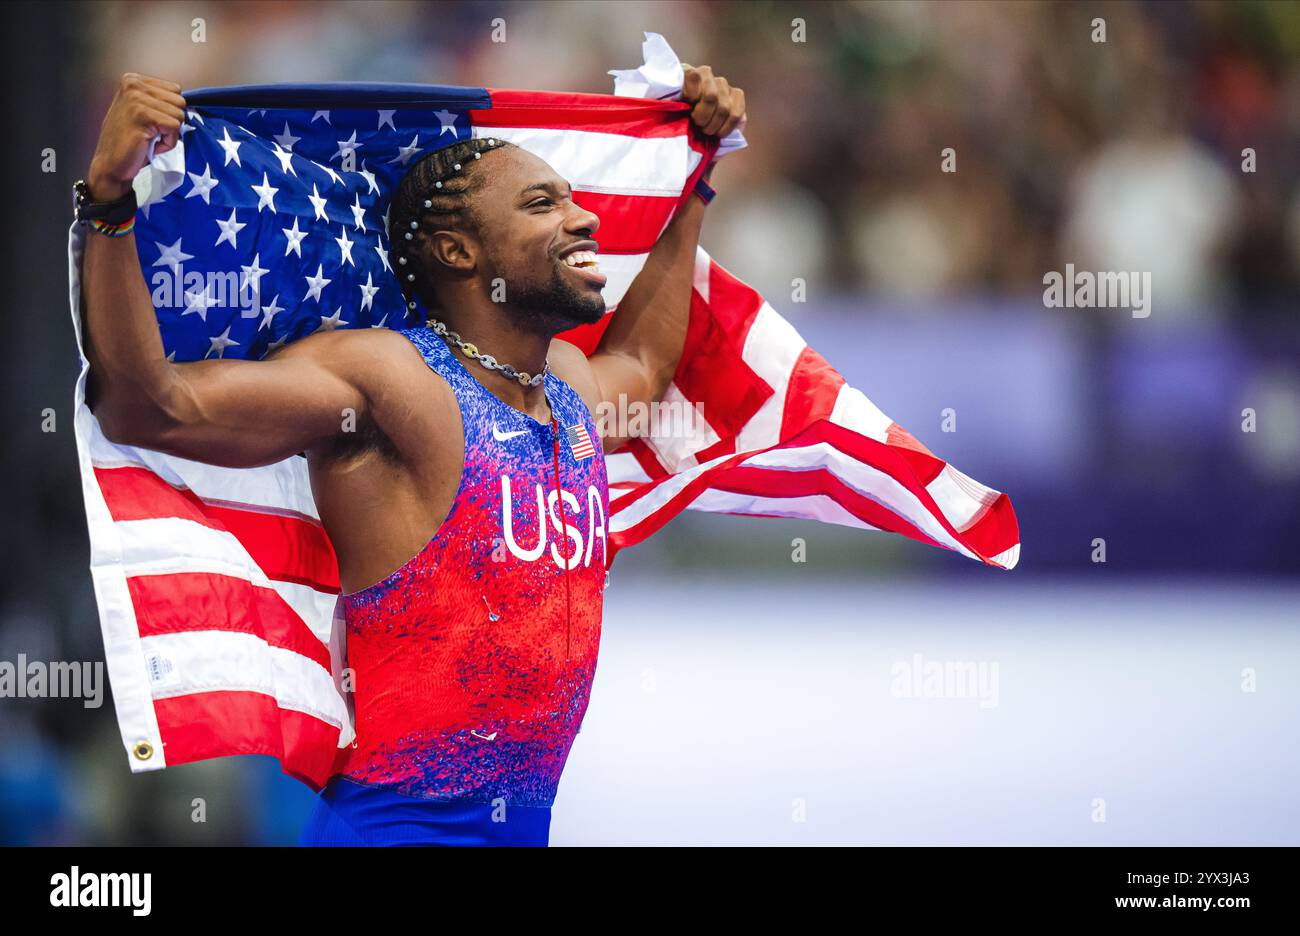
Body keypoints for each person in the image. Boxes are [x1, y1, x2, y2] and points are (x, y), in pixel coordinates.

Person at [78, 68, 745, 846]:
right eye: (543, 205)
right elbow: (149, 406)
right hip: (394, 828)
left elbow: (643, 362)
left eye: (570, 199)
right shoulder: (389, 379)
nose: (584, 219)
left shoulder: (565, 383)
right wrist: (110, 200)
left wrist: (698, 178)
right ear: (457, 250)